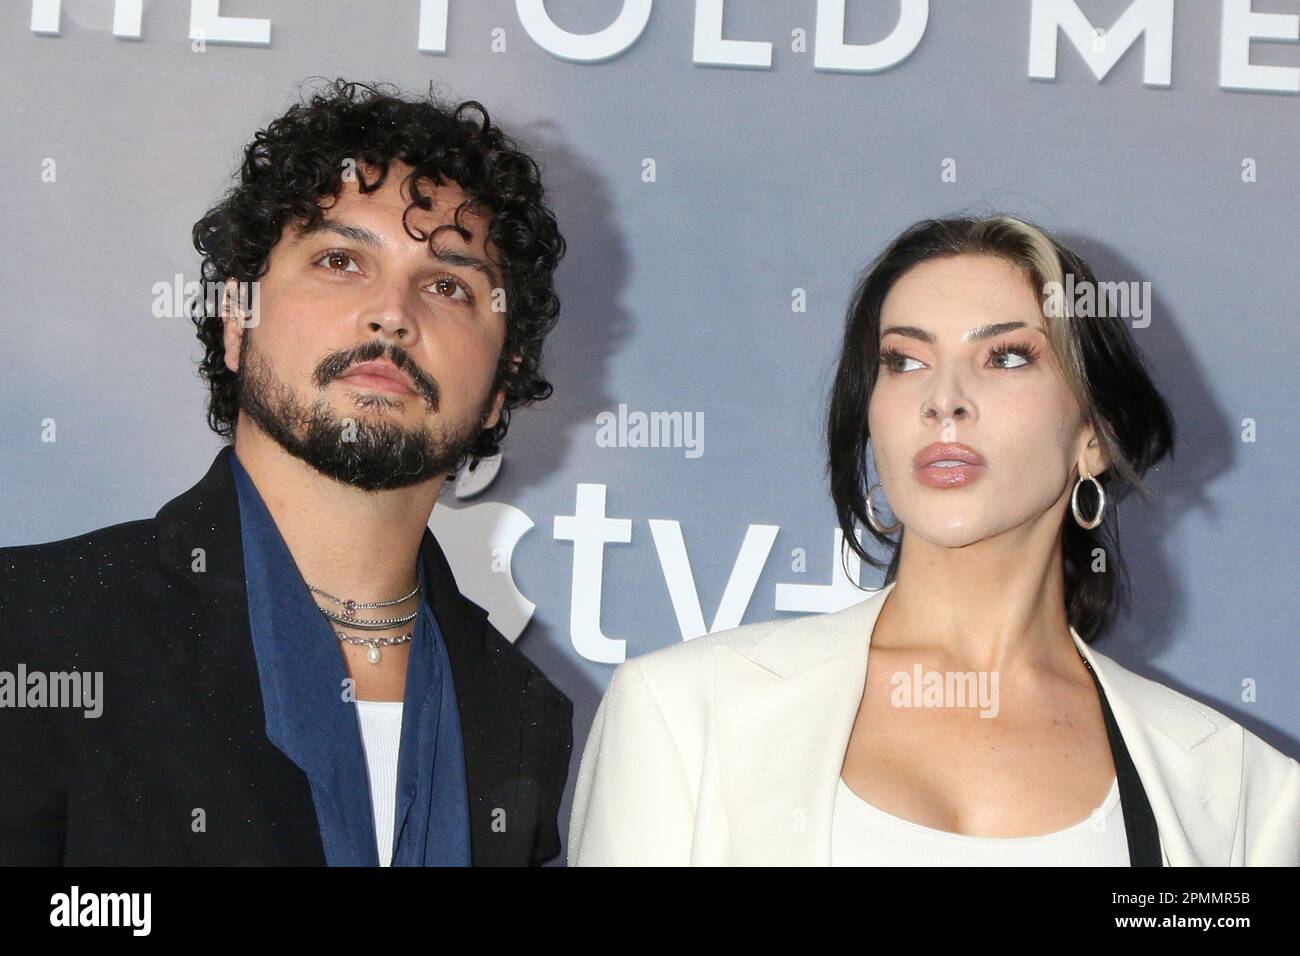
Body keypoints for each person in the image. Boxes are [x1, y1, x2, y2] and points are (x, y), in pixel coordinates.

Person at [566, 214, 1300, 866]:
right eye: (904, 360)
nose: (942, 398)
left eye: (1007, 356)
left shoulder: (1237, 792)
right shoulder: (684, 716)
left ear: (1093, 438)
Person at [0, 79, 573, 866]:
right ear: (238, 321)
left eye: (448, 284)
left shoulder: (522, 716)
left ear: (499, 387)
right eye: (341, 260)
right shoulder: (36, 630)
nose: (392, 313)